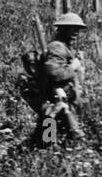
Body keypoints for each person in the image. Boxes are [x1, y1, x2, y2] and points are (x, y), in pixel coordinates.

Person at [21, 12, 87, 147]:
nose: (76, 32)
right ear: (62, 29)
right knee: (49, 140)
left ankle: (34, 152)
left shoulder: (66, 47)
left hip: (60, 101)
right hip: (52, 102)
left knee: (46, 138)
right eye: (71, 28)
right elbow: (54, 74)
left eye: (77, 28)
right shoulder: (57, 47)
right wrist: (73, 67)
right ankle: (45, 156)